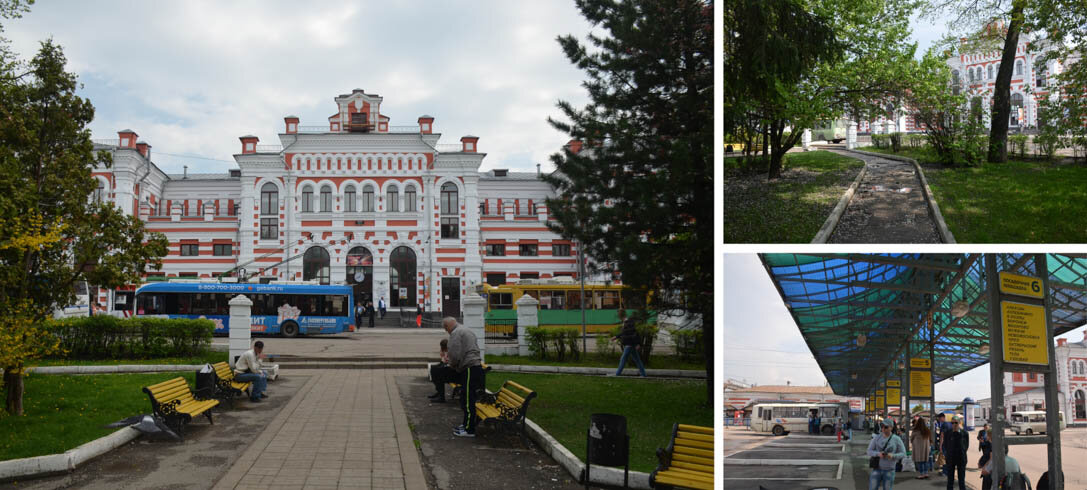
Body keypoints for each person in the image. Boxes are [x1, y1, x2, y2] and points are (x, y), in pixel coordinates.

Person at [444, 317, 485, 437]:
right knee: (467, 397)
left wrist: (452, 364)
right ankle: (467, 424)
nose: (447, 331)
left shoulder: (456, 333)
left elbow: (455, 353)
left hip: (469, 367)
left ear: (447, 326)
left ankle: (469, 429)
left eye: (445, 328)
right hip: (474, 366)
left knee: (468, 399)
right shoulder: (465, 329)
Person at [867, 420, 906, 490]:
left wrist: (893, 456)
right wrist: (878, 454)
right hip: (877, 468)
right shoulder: (877, 438)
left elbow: (903, 453)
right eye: (881, 426)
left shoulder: (896, 439)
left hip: (889, 470)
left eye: (885, 427)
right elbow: (869, 451)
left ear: (891, 427)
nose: (883, 429)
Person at [611, 309, 646, 377]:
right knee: (637, 360)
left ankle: (617, 374)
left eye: (619, 316)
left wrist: (637, 343)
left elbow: (633, 334)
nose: (618, 317)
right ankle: (643, 374)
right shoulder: (626, 322)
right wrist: (616, 337)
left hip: (629, 344)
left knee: (623, 359)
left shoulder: (628, 323)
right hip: (631, 344)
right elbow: (624, 333)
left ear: (621, 316)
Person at [944, 417, 970, 490]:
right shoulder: (948, 433)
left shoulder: (964, 433)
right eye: (952, 423)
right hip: (950, 458)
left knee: (961, 480)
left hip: (961, 458)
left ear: (959, 423)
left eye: (956, 423)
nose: (954, 424)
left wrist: (958, 434)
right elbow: (945, 445)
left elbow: (966, 446)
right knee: (950, 480)